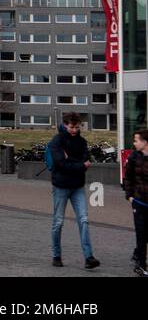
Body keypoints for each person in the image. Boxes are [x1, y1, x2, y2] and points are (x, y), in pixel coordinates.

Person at [48, 112, 97, 268]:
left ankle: (89, 257)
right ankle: (56, 256)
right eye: (71, 127)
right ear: (65, 125)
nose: (74, 130)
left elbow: (86, 160)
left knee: (84, 220)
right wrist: (80, 165)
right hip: (61, 186)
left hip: (77, 186)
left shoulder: (82, 142)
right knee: (58, 222)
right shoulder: (57, 141)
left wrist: (71, 160)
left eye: (77, 127)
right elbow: (61, 164)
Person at [123, 128, 148, 277]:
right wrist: (130, 196)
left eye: (136, 140)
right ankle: (141, 265)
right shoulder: (133, 157)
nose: (134, 143)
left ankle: (137, 253)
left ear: (145, 142)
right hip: (138, 201)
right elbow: (128, 177)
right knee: (141, 232)